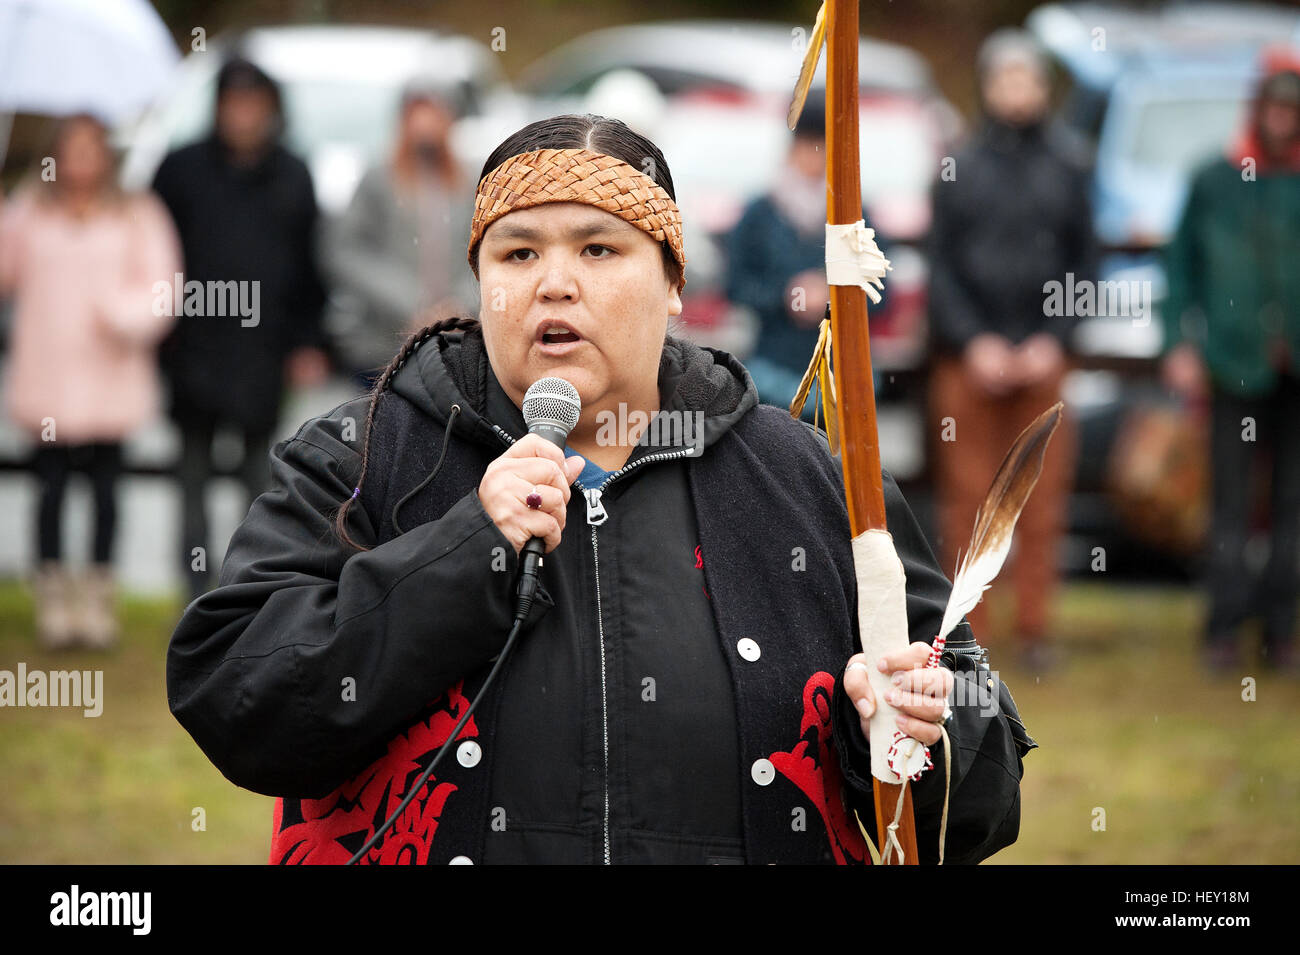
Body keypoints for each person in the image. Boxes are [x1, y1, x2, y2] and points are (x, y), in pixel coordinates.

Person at [166, 114, 1034, 865]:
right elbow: (235, 696)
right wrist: (464, 548)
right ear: (483, 285)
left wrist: (909, 733)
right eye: (518, 251)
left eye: (598, 247)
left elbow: (980, 791)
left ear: (674, 284)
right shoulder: (366, 457)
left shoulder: (808, 480)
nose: (554, 280)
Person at [926, 29, 1095, 670]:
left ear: (1043, 87)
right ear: (988, 86)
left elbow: (1087, 262)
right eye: (1005, 78)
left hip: (1043, 363)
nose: (1016, 90)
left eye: (1028, 78)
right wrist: (975, 342)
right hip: (970, 364)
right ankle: (967, 633)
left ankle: (1036, 630)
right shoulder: (957, 164)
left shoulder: (1069, 164)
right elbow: (940, 266)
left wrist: (1056, 339)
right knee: (969, 498)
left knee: (1042, 500)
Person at [151, 55, 329, 602]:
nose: (243, 115)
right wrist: (160, 332)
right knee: (192, 480)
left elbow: (308, 267)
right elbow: (153, 260)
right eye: (234, 102)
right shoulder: (180, 171)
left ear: (271, 110)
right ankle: (193, 594)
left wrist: (307, 341)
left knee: (261, 482)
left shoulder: (293, 175)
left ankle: (251, 589)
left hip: (262, 354)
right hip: (192, 350)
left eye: (254, 103)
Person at [0, 114, 181, 647]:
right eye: (71, 149)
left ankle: (97, 599)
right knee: (49, 490)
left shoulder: (137, 213)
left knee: (105, 492)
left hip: (110, 379)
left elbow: (163, 287)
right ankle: (53, 600)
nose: (81, 160)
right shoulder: (29, 208)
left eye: (90, 148)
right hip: (49, 380)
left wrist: (120, 314)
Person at [1162, 47, 1300, 674]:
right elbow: (1179, 266)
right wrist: (1180, 343)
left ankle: (1282, 632)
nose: (1282, 120)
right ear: (1258, 109)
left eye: (1291, 110)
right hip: (1233, 362)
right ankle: (1222, 631)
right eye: (1274, 107)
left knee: (1294, 507)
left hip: (1293, 367)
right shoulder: (1215, 178)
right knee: (1230, 503)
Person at [726, 95, 886, 416]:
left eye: (823, 147)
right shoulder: (761, 212)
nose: (815, 158)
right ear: (791, 148)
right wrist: (786, 296)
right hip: (772, 373)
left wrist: (834, 297)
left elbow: (883, 291)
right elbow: (734, 285)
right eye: (807, 145)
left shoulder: (854, 214)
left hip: (841, 377)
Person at [325, 79, 477, 388]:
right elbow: (345, 250)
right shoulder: (379, 179)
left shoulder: (469, 180)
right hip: (384, 343)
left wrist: (460, 304)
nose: (425, 125)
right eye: (416, 114)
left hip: (455, 341)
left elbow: (488, 249)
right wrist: (409, 300)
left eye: (434, 113)